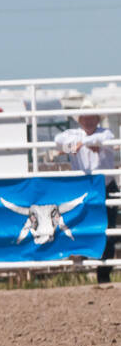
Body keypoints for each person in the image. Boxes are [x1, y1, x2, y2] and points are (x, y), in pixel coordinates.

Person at [55, 100, 117, 283]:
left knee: (109, 230)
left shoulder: (105, 133)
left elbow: (105, 140)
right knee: (81, 225)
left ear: (98, 119)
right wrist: (79, 144)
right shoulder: (74, 134)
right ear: (80, 120)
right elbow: (58, 143)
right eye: (85, 118)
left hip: (103, 186)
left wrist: (81, 143)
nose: (89, 121)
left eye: (92, 118)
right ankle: (87, 260)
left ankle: (102, 274)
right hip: (85, 187)